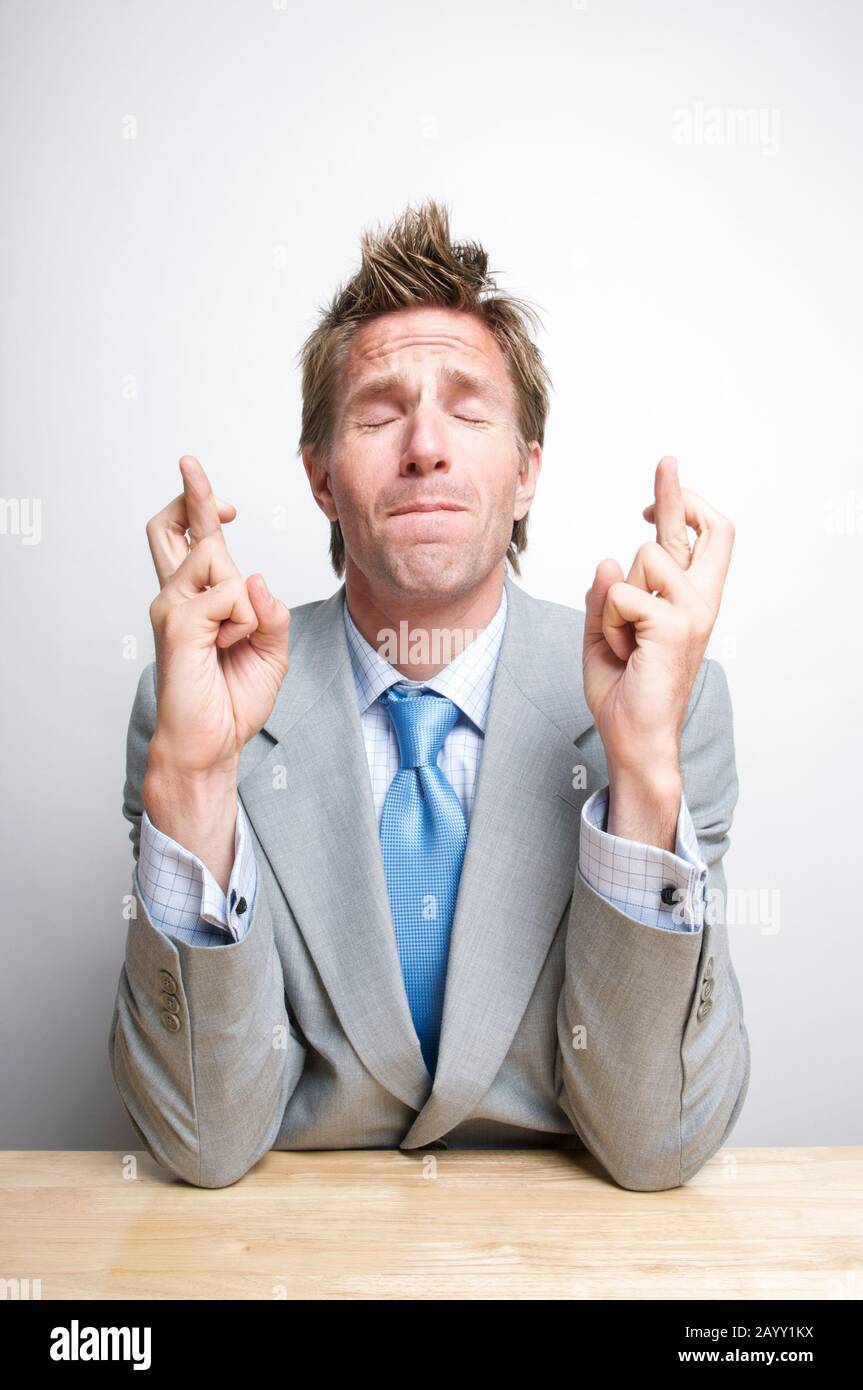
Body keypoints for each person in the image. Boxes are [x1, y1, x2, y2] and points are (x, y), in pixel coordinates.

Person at [109, 199, 750, 1191]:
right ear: (320, 477)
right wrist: (194, 782)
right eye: (377, 411)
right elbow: (204, 1142)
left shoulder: (669, 701)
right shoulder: (191, 706)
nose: (423, 446)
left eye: (465, 406)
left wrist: (642, 770)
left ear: (526, 471)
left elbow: (652, 1143)